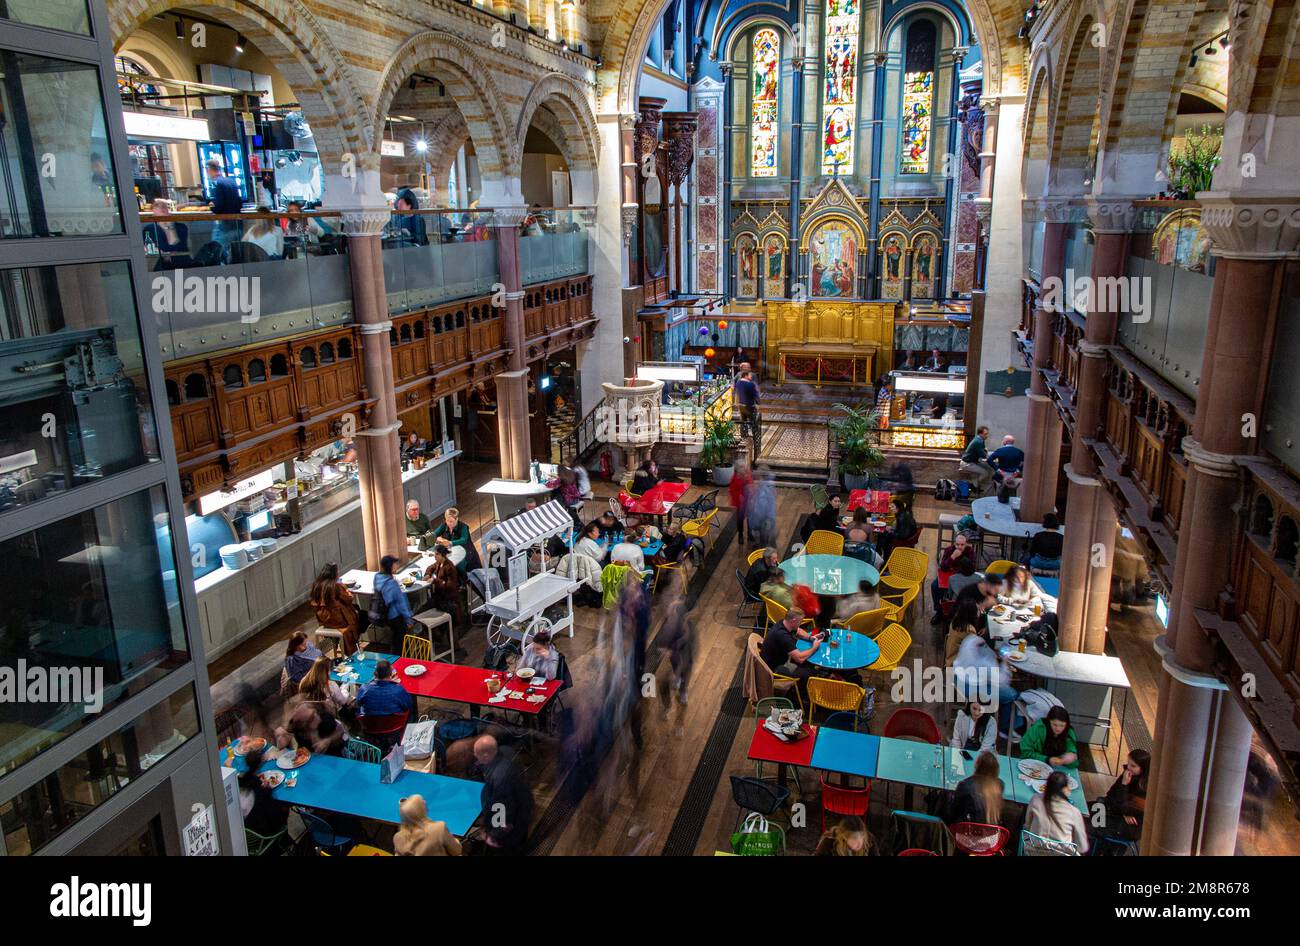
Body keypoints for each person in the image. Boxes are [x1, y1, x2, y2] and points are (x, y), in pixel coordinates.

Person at [474, 735, 533, 853]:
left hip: (512, 827)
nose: (475, 757)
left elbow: (502, 810)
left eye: (477, 755)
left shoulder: (499, 780)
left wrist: (495, 837)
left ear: (486, 756)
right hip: (523, 805)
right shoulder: (506, 750)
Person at [1093, 749, 1150, 846]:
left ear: (1142, 768)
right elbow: (1110, 794)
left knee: (1089, 826)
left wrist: (1124, 785)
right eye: (1128, 764)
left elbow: (1125, 807)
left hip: (1128, 827)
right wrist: (1124, 812)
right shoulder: (1127, 775)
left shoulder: (1145, 789)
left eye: (1133, 766)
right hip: (1115, 813)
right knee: (1085, 813)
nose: (1128, 767)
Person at [1024, 771, 1089, 852]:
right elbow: (1082, 848)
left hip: (1032, 851)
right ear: (1065, 789)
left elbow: (1027, 825)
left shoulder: (1035, 799)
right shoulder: (1074, 813)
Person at [759, 609, 825, 688]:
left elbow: (799, 631)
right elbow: (800, 658)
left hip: (779, 660)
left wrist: (811, 638)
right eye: (800, 621)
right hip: (775, 670)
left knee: (808, 661)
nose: (800, 624)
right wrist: (814, 647)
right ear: (794, 621)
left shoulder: (783, 623)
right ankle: (799, 694)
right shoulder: (783, 636)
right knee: (811, 673)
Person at [309, 562, 362, 655]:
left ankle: (338, 643)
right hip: (338, 620)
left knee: (356, 609)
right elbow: (348, 599)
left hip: (324, 619)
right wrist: (346, 589)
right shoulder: (335, 586)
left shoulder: (316, 586)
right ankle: (355, 648)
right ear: (334, 574)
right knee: (360, 615)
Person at [237, 747, 288, 838]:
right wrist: (268, 790)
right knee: (284, 806)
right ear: (260, 764)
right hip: (263, 833)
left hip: (246, 830)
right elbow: (274, 813)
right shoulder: (262, 790)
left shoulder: (239, 782)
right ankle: (284, 839)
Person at [945, 750, 1003, 826]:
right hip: (991, 834)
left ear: (977, 765)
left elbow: (953, 813)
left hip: (966, 833)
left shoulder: (964, 785)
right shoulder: (999, 785)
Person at [394, 794, 463, 856]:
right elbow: (456, 851)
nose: (424, 802)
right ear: (421, 811)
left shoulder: (397, 838)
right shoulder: (439, 828)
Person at [373, 554, 418, 649]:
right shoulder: (392, 583)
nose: (396, 566)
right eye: (394, 564)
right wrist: (408, 619)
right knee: (399, 639)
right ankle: (398, 658)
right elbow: (401, 604)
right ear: (391, 567)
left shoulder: (377, 577)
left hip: (384, 614)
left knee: (395, 636)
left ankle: (394, 653)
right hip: (395, 615)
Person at [931, 532, 977, 619]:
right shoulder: (949, 550)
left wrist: (962, 559)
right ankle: (939, 611)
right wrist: (953, 556)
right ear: (954, 543)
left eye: (962, 545)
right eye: (957, 544)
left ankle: (960, 613)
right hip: (947, 576)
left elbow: (972, 568)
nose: (959, 547)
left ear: (966, 544)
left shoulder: (970, 551)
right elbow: (943, 567)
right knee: (935, 586)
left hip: (963, 577)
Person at [274, 701, 345, 756]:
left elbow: (341, 730)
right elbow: (282, 742)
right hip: (308, 760)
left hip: (334, 758)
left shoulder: (326, 719)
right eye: (309, 720)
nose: (315, 717)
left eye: (313, 714)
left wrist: (328, 740)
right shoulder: (298, 727)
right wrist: (282, 738)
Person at [422, 544, 461, 624]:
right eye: (434, 554)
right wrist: (428, 574)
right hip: (440, 596)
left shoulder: (449, 567)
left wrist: (435, 580)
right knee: (423, 608)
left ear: (442, 555)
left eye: (437, 554)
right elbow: (431, 567)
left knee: (426, 608)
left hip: (448, 599)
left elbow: (450, 586)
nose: (435, 556)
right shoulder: (439, 563)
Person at [432, 507, 475, 573]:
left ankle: (462, 581)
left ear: (457, 519)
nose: (449, 523)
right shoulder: (444, 525)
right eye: (447, 521)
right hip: (451, 552)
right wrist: (437, 538)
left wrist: (450, 543)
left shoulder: (463, 527)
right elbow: (434, 534)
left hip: (466, 552)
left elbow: (463, 540)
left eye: (451, 521)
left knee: (458, 565)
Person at [944, 597, 982, 666]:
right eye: (978, 610)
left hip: (950, 657)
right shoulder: (969, 630)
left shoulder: (955, 621)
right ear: (972, 613)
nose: (980, 611)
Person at [878, 495, 917, 560]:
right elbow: (902, 529)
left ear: (898, 508)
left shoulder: (902, 518)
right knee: (883, 534)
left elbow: (903, 535)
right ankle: (880, 552)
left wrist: (891, 532)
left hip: (905, 539)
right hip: (908, 536)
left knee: (884, 536)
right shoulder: (904, 513)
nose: (891, 508)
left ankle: (883, 558)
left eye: (893, 506)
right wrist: (892, 529)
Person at [960, 424, 994, 493]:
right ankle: (974, 486)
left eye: (987, 434)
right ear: (980, 434)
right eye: (985, 434)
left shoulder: (980, 440)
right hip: (967, 463)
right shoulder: (978, 442)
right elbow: (983, 455)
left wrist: (986, 453)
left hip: (972, 462)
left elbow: (984, 450)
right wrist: (991, 456)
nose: (987, 436)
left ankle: (975, 486)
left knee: (987, 468)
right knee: (985, 473)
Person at [729, 459, 754, 544]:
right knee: (740, 519)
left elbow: (751, 485)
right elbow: (732, 490)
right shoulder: (735, 478)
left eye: (744, 467)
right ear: (738, 469)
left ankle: (750, 534)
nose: (744, 468)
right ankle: (740, 535)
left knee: (750, 518)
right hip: (741, 503)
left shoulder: (749, 474)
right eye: (741, 467)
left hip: (749, 500)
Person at [734, 369, 760, 443]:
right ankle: (755, 437)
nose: (750, 377)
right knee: (753, 421)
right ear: (746, 376)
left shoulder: (739, 383)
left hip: (741, 405)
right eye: (749, 375)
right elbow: (755, 395)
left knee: (743, 421)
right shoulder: (750, 384)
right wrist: (758, 403)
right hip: (749, 405)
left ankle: (744, 436)